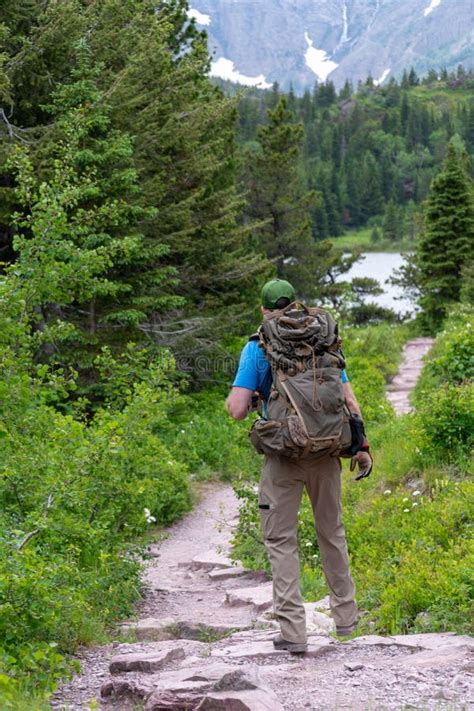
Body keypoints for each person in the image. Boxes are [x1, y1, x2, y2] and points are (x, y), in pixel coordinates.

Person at [226, 278, 372, 654]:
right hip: (327, 455)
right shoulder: (323, 340)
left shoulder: (258, 347)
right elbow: (348, 398)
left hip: (284, 458)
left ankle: (293, 632)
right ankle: (345, 621)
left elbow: (238, 410)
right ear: (296, 304)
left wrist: (257, 393)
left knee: (281, 540)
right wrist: (362, 446)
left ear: (264, 310)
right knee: (332, 534)